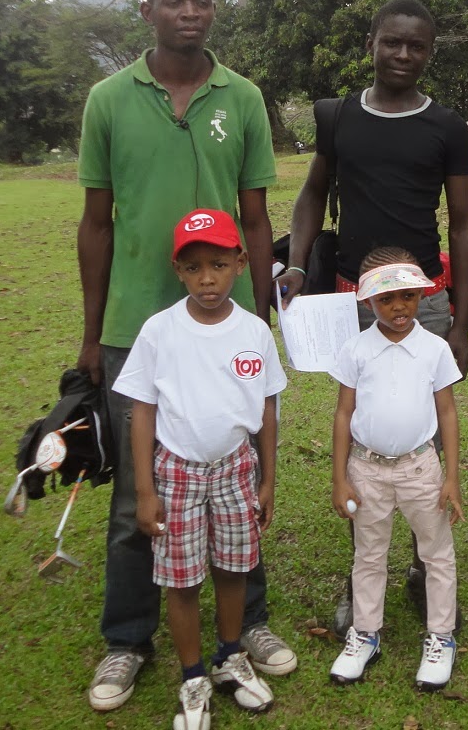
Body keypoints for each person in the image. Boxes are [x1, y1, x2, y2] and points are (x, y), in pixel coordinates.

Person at [76, 0, 296, 714]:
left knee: (237, 467)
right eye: (175, 2)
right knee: (142, 491)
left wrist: (262, 308)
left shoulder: (243, 97)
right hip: (137, 325)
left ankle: (247, 633)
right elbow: (96, 222)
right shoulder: (108, 100)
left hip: (227, 319)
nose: (190, 13)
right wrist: (91, 333)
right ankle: (128, 638)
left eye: (202, 1)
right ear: (149, 12)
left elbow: (258, 215)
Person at [277, 0, 468, 629]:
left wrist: (463, 321)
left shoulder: (446, 126)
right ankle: (362, 571)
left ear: (429, 52)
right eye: (393, 42)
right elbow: (313, 194)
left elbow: (465, 222)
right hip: (353, 297)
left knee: (420, 426)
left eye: (416, 46)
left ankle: (424, 563)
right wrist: (296, 263)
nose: (403, 55)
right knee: (364, 430)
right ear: (372, 42)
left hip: (427, 301)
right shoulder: (338, 119)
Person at [114, 209, 287, 729]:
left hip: (236, 468)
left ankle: (230, 655)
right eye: (193, 268)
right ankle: (193, 676)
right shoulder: (159, 331)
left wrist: (268, 479)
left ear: (240, 262)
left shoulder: (254, 331)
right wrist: (145, 491)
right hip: (177, 473)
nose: (207, 279)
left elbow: (268, 410)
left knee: (234, 568)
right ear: (177, 270)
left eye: (217, 264)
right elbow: (141, 411)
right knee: (183, 579)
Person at [327, 249, 465, 691]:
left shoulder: (434, 348)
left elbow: (447, 412)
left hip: (420, 467)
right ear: (369, 302)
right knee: (368, 555)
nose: (399, 306)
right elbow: (344, 412)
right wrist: (340, 476)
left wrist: (451, 476)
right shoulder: (356, 349)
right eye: (386, 299)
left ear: (420, 297)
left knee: (436, 553)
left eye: (407, 296)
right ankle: (366, 634)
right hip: (366, 469)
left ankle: (441, 637)